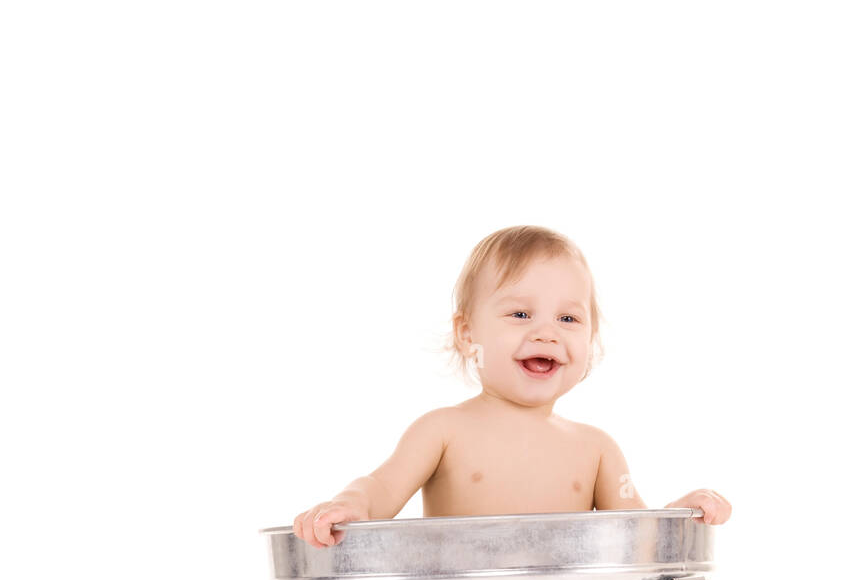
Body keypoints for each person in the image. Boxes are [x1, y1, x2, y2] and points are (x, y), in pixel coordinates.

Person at [293, 225, 731, 547]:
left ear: (590, 340)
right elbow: (381, 489)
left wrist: (679, 518)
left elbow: (638, 536)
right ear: (467, 335)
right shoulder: (443, 432)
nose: (547, 333)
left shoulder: (597, 449)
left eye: (568, 319)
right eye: (521, 315)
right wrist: (349, 504)